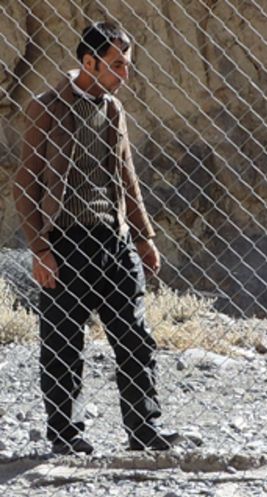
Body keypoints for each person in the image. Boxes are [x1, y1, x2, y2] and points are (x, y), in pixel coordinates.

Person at [12, 21, 181, 455]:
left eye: (127, 66)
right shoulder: (46, 108)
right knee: (63, 341)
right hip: (64, 244)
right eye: (117, 65)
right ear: (89, 62)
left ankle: (144, 431)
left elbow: (126, 177)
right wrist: (40, 249)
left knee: (135, 336)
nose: (125, 75)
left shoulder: (114, 109)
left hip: (114, 240)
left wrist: (144, 236)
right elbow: (25, 182)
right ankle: (67, 436)